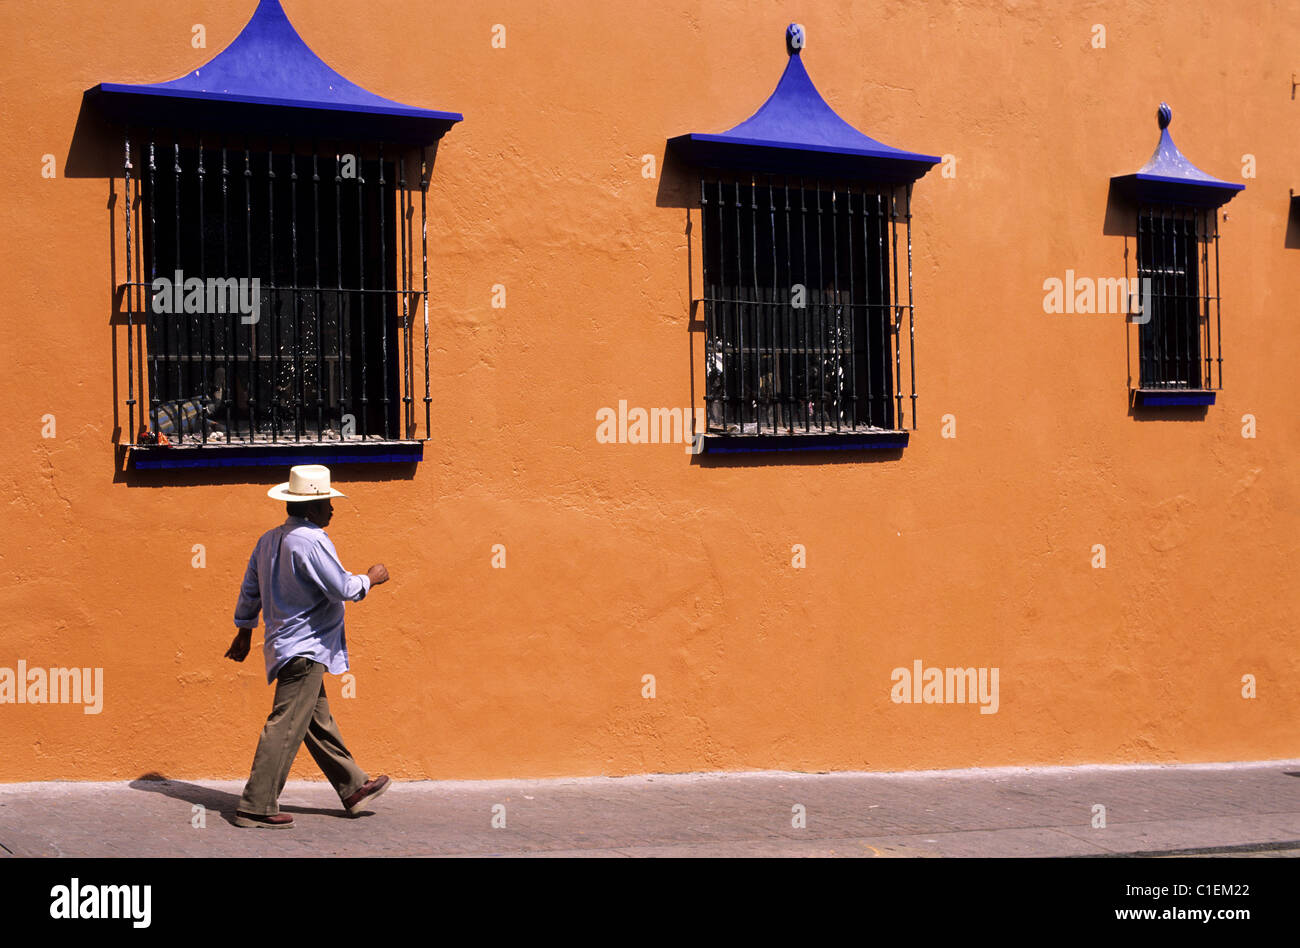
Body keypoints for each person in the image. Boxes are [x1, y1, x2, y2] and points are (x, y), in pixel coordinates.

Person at [223, 464, 391, 829]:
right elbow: (342, 589)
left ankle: (354, 788)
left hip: (284, 646)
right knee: (285, 725)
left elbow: (250, 588)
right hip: (306, 648)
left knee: (316, 722)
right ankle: (256, 804)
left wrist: (244, 630)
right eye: (327, 502)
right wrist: (371, 578)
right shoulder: (312, 540)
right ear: (311, 508)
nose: (332, 508)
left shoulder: (269, 540)